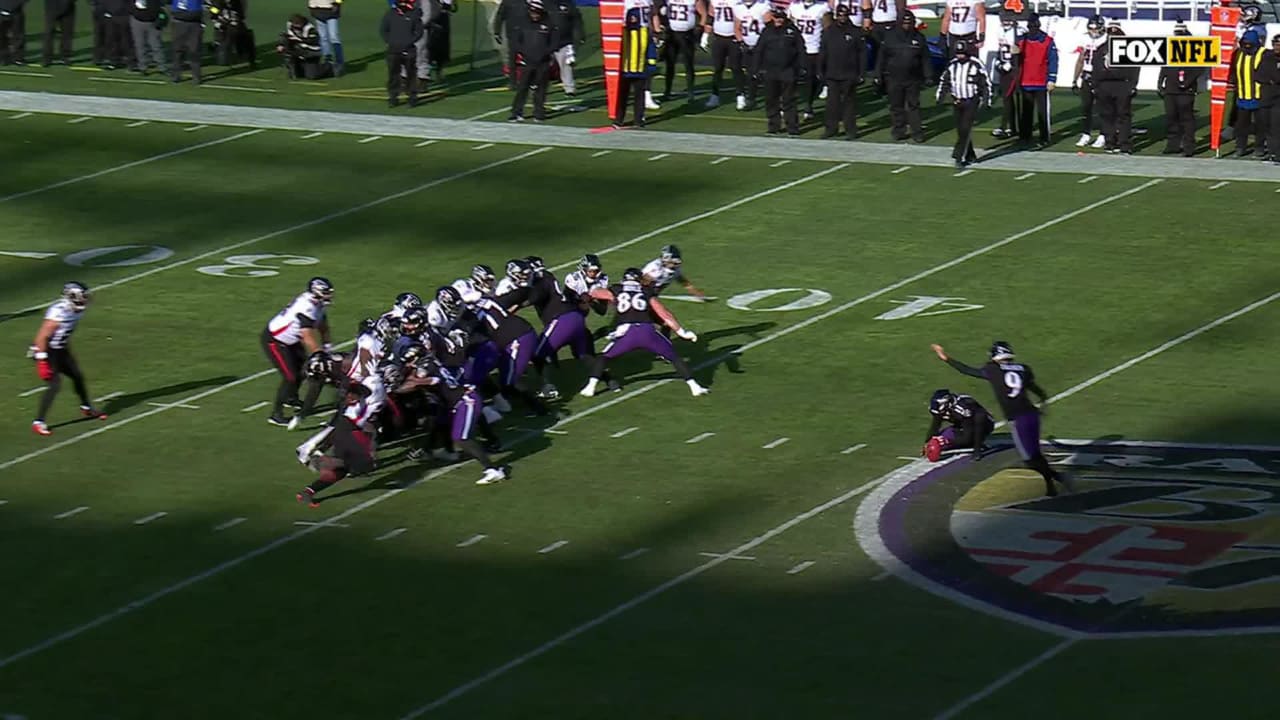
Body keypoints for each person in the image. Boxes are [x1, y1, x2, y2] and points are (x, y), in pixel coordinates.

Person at [931, 341, 1073, 497]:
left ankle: (1058, 478)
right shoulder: (1023, 369)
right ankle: (1052, 485)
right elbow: (1036, 389)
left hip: (1018, 419)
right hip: (1032, 415)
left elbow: (967, 370)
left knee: (1030, 458)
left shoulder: (992, 370)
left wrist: (945, 357)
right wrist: (1043, 402)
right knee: (1035, 454)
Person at [579, 268, 709, 397]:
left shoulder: (617, 289)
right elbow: (664, 314)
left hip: (627, 333)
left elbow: (596, 293)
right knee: (674, 358)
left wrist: (589, 294)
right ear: (639, 280)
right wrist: (682, 332)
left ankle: (590, 387)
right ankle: (695, 387)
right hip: (647, 331)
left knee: (604, 357)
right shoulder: (646, 291)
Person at [30, 282, 109, 436]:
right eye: (82, 296)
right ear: (72, 296)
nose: (85, 300)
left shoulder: (76, 310)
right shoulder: (59, 312)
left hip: (60, 349)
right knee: (55, 385)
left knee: (77, 376)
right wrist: (41, 361)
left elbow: (63, 334)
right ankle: (38, 422)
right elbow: (42, 337)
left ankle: (87, 408)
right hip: (47, 350)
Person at [263, 277, 334, 427]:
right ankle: (276, 414)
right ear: (316, 292)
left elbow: (322, 323)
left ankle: (291, 398)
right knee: (290, 376)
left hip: (291, 340)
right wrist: (319, 354)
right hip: (276, 340)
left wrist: (327, 345)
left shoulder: (317, 304)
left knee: (303, 369)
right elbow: (307, 336)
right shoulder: (307, 306)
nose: (329, 295)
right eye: (326, 292)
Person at [875, 9, 932, 143]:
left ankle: (917, 132)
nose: (907, 24)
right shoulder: (890, 37)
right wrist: (878, 75)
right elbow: (881, 58)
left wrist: (928, 75)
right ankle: (898, 131)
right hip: (893, 77)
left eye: (910, 22)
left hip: (913, 78)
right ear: (900, 23)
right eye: (905, 22)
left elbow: (925, 59)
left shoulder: (919, 37)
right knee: (896, 105)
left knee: (913, 106)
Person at [936, 39, 989, 168]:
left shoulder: (976, 64)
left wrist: (987, 100)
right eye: (958, 53)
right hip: (957, 100)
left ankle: (958, 156)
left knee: (965, 128)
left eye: (963, 53)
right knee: (961, 130)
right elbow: (945, 81)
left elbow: (985, 83)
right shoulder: (952, 64)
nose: (960, 56)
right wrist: (940, 96)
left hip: (971, 100)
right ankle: (970, 155)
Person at [754, 4, 804, 136]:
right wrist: (756, 68)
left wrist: (801, 67)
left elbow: (801, 49)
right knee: (771, 99)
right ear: (773, 17)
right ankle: (773, 126)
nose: (778, 20)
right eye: (776, 17)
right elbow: (759, 50)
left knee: (789, 100)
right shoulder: (767, 31)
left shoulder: (792, 30)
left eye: (781, 17)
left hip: (788, 70)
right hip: (770, 71)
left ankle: (792, 127)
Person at [818, 4, 864, 139]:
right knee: (832, 104)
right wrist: (820, 70)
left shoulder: (855, 31)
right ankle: (831, 129)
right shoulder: (829, 31)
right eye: (840, 15)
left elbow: (862, 54)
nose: (842, 17)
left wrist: (861, 73)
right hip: (832, 73)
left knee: (849, 104)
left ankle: (851, 130)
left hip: (849, 73)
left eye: (844, 15)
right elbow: (823, 52)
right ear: (836, 16)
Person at [1157, 21, 1202, 157]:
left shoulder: (1193, 48)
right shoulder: (1170, 47)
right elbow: (1164, 67)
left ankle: (1189, 146)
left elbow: (1199, 68)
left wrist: (1187, 83)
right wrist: (1160, 83)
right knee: (1171, 118)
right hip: (1171, 88)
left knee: (1186, 118)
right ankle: (1173, 145)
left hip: (1185, 90)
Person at [509, 0, 558, 122]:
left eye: (537, 13)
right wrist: (523, 54)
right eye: (532, 13)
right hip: (527, 61)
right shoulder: (523, 24)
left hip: (543, 62)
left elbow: (554, 43)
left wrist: (545, 54)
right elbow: (517, 42)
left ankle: (539, 113)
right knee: (522, 88)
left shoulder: (549, 25)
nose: (534, 15)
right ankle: (516, 112)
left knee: (540, 89)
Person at [1092, 22, 1137, 154]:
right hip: (1104, 85)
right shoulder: (1101, 49)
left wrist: (1132, 85)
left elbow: (1135, 68)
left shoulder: (1129, 49)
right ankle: (1110, 142)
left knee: (1123, 115)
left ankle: (1124, 144)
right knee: (1107, 115)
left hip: (1122, 84)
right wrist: (1095, 85)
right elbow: (1096, 67)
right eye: (1110, 34)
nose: (1112, 36)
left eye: (1115, 34)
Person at [1014, 13, 1055, 149]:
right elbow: (1016, 60)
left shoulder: (1047, 41)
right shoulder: (1021, 41)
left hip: (1041, 81)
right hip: (1026, 80)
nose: (1032, 29)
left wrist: (1052, 78)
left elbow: (1053, 60)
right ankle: (1025, 136)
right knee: (1026, 111)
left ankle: (1044, 137)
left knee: (1043, 112)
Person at [923, 389, 994, 461]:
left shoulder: (962, 408)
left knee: (978, 419)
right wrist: (927, 442)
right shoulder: (943, 409)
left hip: (984, 424)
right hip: (962, 423)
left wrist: (975, 446)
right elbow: (935, 426)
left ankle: (977, 448)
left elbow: (968, 433)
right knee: (945, 436)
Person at [614, 5, 655, 127]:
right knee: (622, 96)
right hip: (624, 70)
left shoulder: (644, 32)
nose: (632, 20)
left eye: (635, 18)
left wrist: (651, 65)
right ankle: (619, 119)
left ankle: (638, 119)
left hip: (640, 69)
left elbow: (650, 49)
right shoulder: (621, 32)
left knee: (639, 96)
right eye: (630, 18)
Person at [786, 0, 825, 120]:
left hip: (813, 48)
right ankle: (786, 105)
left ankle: (808, 105)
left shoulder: (822, 7)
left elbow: (827, 27)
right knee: (789, 78)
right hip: (795, 48)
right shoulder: (794, 6)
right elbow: (789, 25)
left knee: (812, 79)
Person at [1230, 30, 1266, 157]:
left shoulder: (1264, 54)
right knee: (1241, 125)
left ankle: (1259, 147)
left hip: (1259, 96)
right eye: (1244, 43)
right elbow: (1233, 69)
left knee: (1260, 125)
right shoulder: (1238, 53)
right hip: (1242, 95)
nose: (1247, 46)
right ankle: (1240, 147)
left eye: (1249, 43)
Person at [1072, 15, 1106, 148]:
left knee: (1103, 107)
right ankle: (1086, 133)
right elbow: (1080, 59)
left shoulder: (1106, 39)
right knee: (1086, 107)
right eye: (1091, 29)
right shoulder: (1084, 38)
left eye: (1095, 29)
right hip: (1087, 74)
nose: (1093, 32)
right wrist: (1075, 79)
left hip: (1101, 76)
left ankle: (1103, 134)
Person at [382, 0, 423, 107]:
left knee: (411, 73)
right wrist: (390, 41)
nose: (403, 4)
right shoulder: (390, 14)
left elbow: (419, 32)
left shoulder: (414, 14)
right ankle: (393, 97)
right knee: (393, 74)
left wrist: (409, 42)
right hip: (393, 50)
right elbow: (383, 30)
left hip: (409, 50)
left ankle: (412, 97)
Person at [707, 0, 745, 110]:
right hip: (719, 37)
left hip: (733, 37)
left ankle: (740, 95)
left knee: (736, 67)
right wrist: (706, 34)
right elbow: (711, 15)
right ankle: (715, 95)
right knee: (718, 68)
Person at [660, 0, 700, 101]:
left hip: (687, 34)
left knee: (688, 64)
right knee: (670, 64)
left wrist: (700, 30)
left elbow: (703, 13)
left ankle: (691, 92)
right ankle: (667, 91)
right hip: (672, 34)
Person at [733, 0, 768, 110]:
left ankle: (773, 99)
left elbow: (770, 27)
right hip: (748, 45)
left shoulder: (763, 5)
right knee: (751, 74)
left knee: (766, 74)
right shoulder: (739, 7)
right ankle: (751, 99)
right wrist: (742, 42)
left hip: (762, 46)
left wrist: (764, 43)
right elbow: (736, 28)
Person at [990, 14, 1019, 139]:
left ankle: (1010, 127)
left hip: (1014, 70)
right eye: (1004, 19)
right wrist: (998, 63)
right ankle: (1009, 126)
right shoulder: (1000, 31)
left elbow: (1020, 51)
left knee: (1013, 99)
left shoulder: (1018, 33)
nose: (1006, 22)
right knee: (1007, 99)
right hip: (1004, 70)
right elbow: (1000, 50)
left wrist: (1012, 64)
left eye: (1008, 19)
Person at [548, 0, 581, 95]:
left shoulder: (569, 4)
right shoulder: (545, 3)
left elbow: (576, 20)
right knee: (541, 66)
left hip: (564, 40)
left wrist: (579, 35)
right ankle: (537, 87)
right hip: (546, 40)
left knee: (566, 65)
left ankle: (569, 88)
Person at [209, 0, 255, 68]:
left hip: (234, 25)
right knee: (224, 39)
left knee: (246, 39)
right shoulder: (218, 3)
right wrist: (218, 18)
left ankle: (249, 58)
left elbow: (240, 15)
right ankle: (220, 50)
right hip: (226, 24)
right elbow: (213, 11)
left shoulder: (237, 3)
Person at [278, 13, 326, 79]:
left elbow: (313, 41)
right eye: (294, 27)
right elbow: (285, 35)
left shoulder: (310, 28)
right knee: (286, 47)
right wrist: (281, 44)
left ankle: (329, 67)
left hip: (311, 52)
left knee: (312, 76)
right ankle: (295, 68)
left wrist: (299, 39)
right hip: (299, 49)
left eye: (298, 27)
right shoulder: (290, 25)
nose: (296, 29)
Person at [169, 0, 204, 83]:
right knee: (177, 50)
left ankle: (196, 76)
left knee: (194, 51)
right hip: (179, 22)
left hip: (194, 23)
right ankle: (176, 75)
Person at [129, 0, 167, 75]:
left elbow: (162, 10)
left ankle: (162, 67)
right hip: (137, 21)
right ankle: (143, 67)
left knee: (155, 45)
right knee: (140, 45)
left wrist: (160, 20)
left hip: (153, 22)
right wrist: (133, 12)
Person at [492, 0, 524, 88]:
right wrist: (496, 32)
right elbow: (500, 16)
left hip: (528, 33)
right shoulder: (507, 2)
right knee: (512, 59)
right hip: (512, 34)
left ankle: (529, 79)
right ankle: (513, 81)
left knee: (529, 58)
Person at [307, 0, 343, 76]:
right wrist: (311, 7)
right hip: (318, 10)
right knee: (323, 38)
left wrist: (337, 3)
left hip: (331, 10)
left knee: (334, 37)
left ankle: (339, 62)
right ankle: (328, 59)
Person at [1262, 34, 1280, 164]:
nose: (1277, 47)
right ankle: (1271, 151)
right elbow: (1258, 74)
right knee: (1267, 125)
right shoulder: (1267, 56)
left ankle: (1277, 153)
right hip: (1267, 95)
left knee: (1276, 126)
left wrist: (1273, 79)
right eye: (1276, 44)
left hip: (1278, 98)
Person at [0, 0, 26, 66]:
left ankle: (18, 58)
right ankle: (3, 58)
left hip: (16, 12)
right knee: (2, 36)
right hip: (2, 11)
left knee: (18, 36)